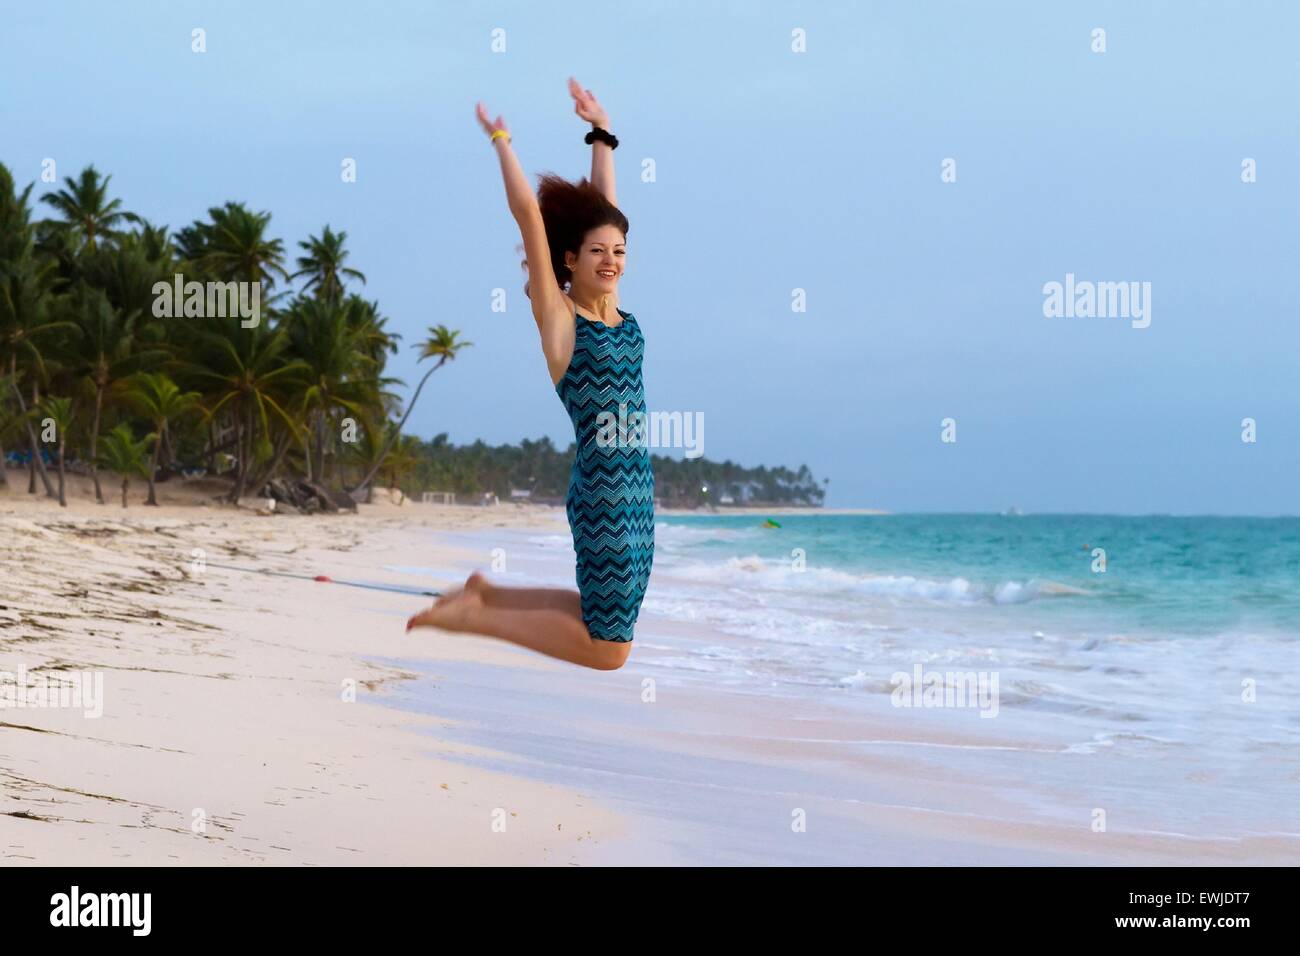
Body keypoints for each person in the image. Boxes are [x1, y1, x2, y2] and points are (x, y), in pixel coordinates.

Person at [407, 79, 654, 671]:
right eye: (597, 252)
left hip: (639, 492)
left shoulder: (618, 314)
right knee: (608, 652)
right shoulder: (561, 321)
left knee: (597, 619)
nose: (611, 260)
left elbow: (603, 214)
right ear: (569, 259)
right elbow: (529, 218)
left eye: (619, 251)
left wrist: (601, 133)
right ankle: (476, 619)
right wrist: (501, 140)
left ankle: (485, 597)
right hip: (603, 495)